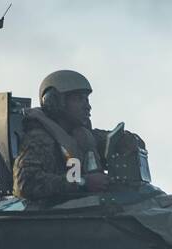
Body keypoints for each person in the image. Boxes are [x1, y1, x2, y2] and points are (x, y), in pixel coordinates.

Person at [13, 69, 146, 200]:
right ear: (55, 102)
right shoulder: (40, 139)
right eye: (79, 99)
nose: (87, 106)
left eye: (87, 100)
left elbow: (123, 142)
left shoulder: (83, 135)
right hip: (56, 214)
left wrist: (128, 141)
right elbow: (26, 183)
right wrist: (82, 182)